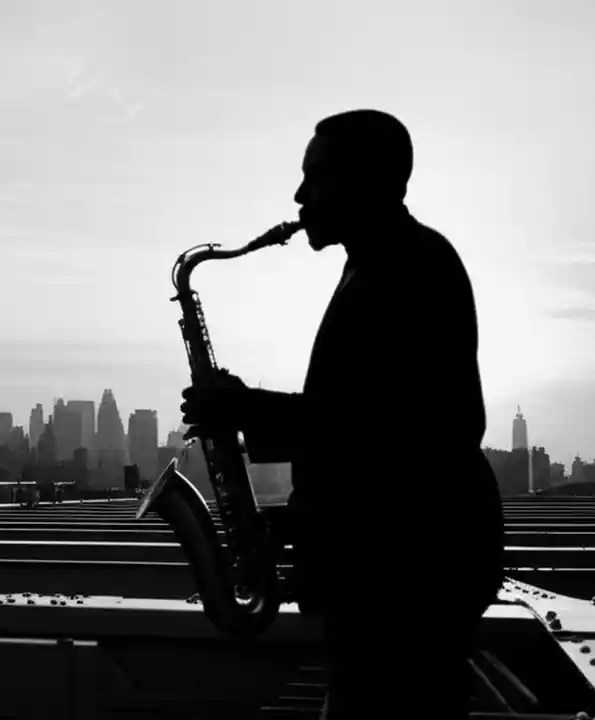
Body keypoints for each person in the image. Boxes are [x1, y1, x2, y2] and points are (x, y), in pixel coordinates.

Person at [180, 109, 504, 718]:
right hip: (398, 568)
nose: (300, 195)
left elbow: (423, 429)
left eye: (314, 176)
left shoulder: (410, 267)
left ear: (363, 177)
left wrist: (247, 409)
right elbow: (362, 416)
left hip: (408, 575)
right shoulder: (382, 262)